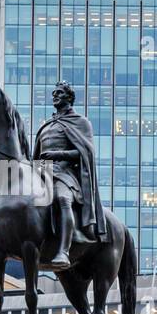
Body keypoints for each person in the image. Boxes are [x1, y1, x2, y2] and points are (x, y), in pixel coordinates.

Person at [32, 81, 107, 269]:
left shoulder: (81, 122)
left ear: (69, 97)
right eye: (53, 93)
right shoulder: (47, 125)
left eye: (59, 93)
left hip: (66, 174)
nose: (55, 96)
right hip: (42, 172)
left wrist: (57, 155)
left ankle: (63, 251)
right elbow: (36, 154)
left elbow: (85, 152)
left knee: (62, 199)